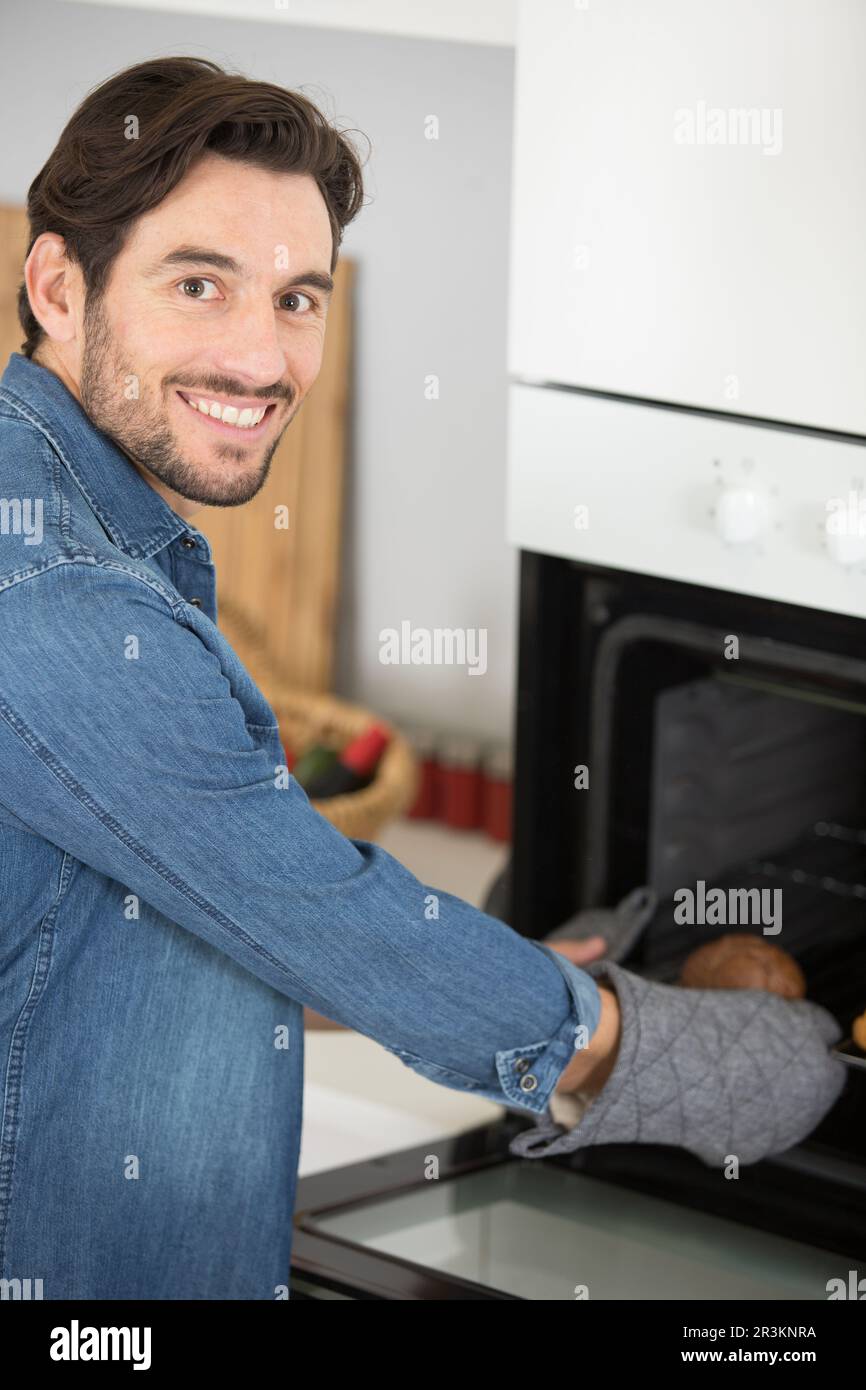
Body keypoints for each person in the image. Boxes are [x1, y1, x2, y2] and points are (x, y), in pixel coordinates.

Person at [0, 57, 845, 1300]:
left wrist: (494, 962)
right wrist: (664, 1054)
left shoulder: (71, 526)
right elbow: (320, 917)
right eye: (199, 284)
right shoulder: (59, 598)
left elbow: (233, 903)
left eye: (298, 298)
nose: (260, 357)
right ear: (58, 288)